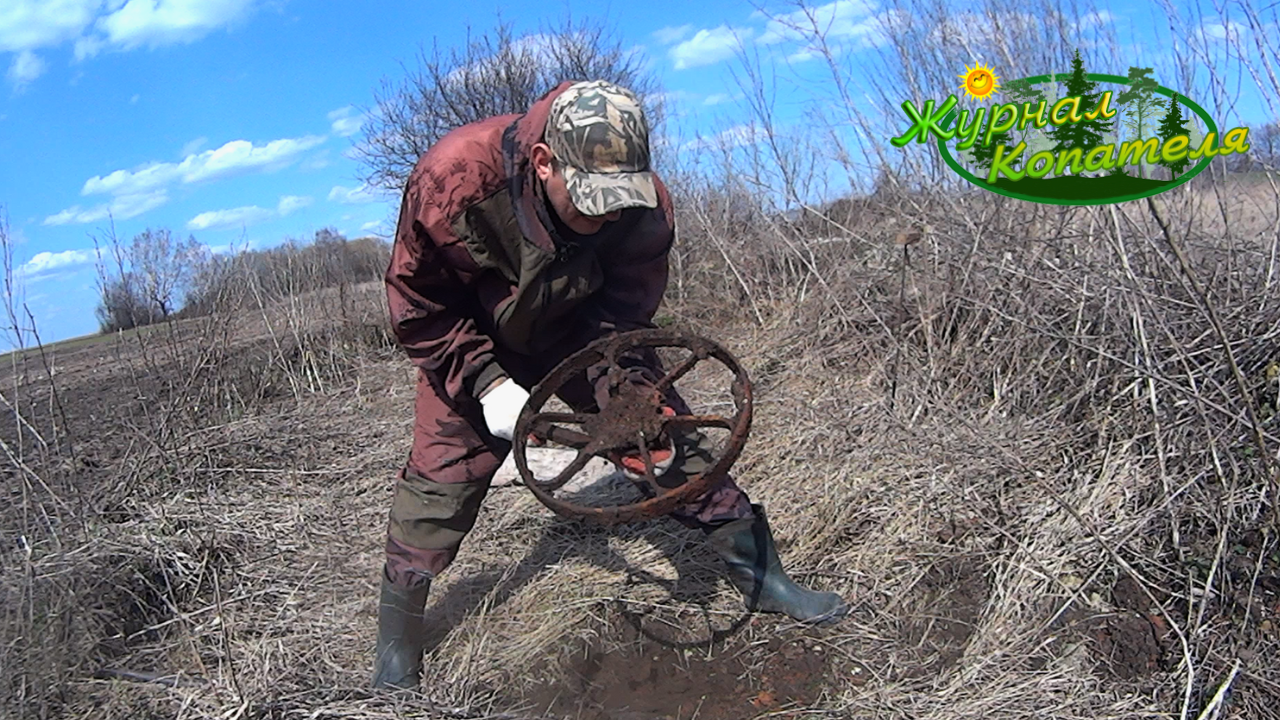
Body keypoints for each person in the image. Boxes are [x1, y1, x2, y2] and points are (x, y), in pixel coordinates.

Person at [374, 79, 849, 690]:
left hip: (584, 333)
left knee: (666, 437)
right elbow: (420, 307)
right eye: (591, 201)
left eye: (619, 201)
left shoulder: (643, 205)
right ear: (543, 162)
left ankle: (763, 579)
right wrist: (488, 385)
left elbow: (626, 313)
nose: (608, 217)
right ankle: (397, 643)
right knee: (439, 480)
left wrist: (628, 391)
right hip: (474, 341)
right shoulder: (454, 180)